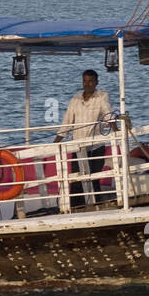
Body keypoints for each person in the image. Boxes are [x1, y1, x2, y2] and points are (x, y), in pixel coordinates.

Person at [53, 69, 118, 207]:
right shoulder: (75, 100)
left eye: (90, 81)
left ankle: (97, 206)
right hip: (78, 147)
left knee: (93, 178)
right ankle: (76, 207)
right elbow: (67, 123)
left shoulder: (102, 97)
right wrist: (55, 143)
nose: (87, 84)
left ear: (96, 82)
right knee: (76, 180)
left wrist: (117, 131)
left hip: (96, 146)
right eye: (85, 81)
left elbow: (109, 115)